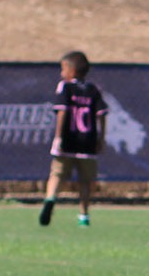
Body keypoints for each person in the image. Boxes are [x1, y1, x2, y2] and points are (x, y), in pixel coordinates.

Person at [41, 51, 106, 227]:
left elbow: (62, 111)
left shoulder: (65, 87)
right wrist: (101, 137)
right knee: (85, 181)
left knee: (56, 174)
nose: (62, 73)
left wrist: (58, 136)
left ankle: (50, 199)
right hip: (88, 141)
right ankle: (84, 216)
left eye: (63, 69)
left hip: (68, 139)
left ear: (72, 70)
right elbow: (102, 114)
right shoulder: (93, 89)